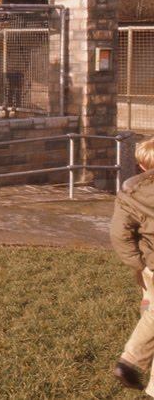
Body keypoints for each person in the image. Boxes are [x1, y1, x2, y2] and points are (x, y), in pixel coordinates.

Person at [110, 136, 154, 391]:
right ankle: (129, 360)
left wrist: (138, 263)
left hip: (149, 266)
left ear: (142, 165)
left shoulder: (130, 193)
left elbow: (120, 234)